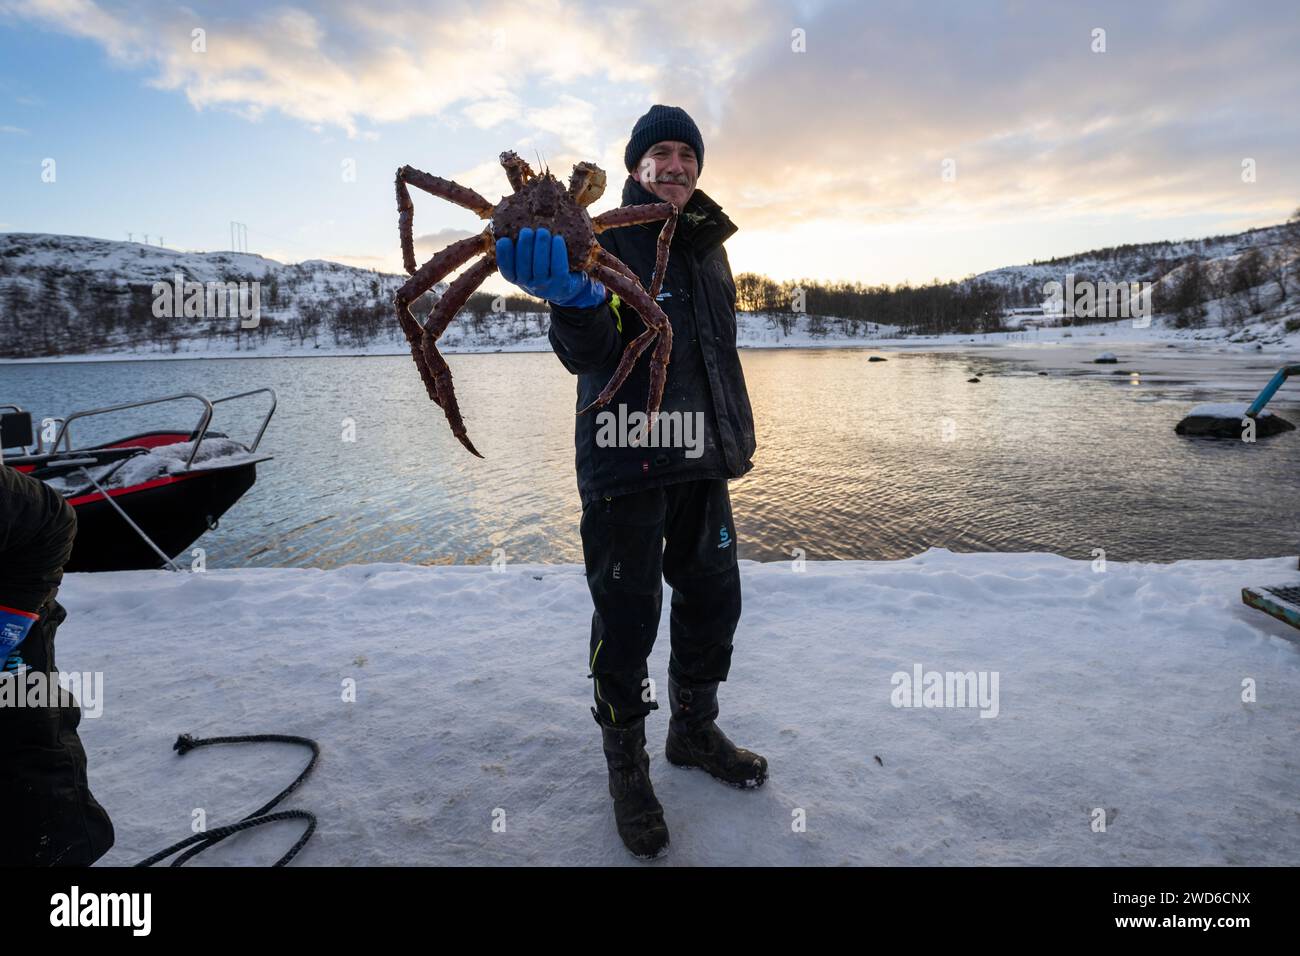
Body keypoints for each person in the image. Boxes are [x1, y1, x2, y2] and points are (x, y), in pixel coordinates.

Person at [496, 104, 766, 860]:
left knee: (715, 600)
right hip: (626, 457)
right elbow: (595, 350)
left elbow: (714, 352)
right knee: (626, 621)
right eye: (659, 156)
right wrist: (575, 303)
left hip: (700, 457)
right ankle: (627, 767)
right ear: (635, 168)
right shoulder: (607, 232)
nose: (675, 165)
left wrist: (727, 439)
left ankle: (693, 730)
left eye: (686, 154)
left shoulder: (711, 243)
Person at [0, 463, 115, 866]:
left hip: (10, 602)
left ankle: (60, 857)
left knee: (24, 729)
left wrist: (10, 620)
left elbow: (52, 519)